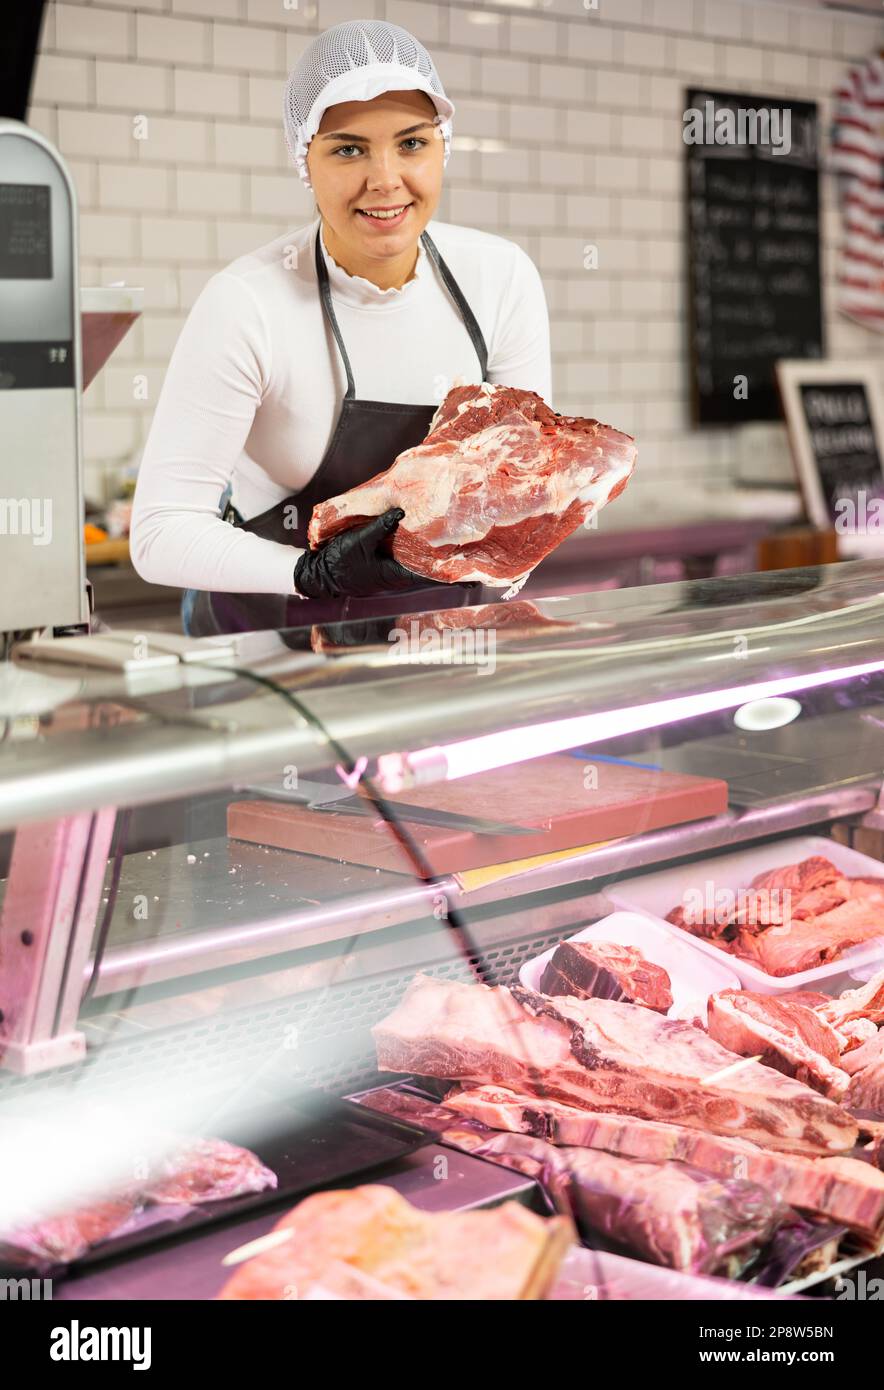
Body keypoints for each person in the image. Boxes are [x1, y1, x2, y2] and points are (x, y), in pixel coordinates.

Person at [130, 19, 551, 636]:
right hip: (265, 646)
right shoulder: (248, 303)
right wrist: (312, 573)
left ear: (443, 148)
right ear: (306, 160)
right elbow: (160, 530)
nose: (385, 180)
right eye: (348, 149)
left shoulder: (500, 279)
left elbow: (522, 495)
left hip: (431, 644)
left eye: (412, 144)